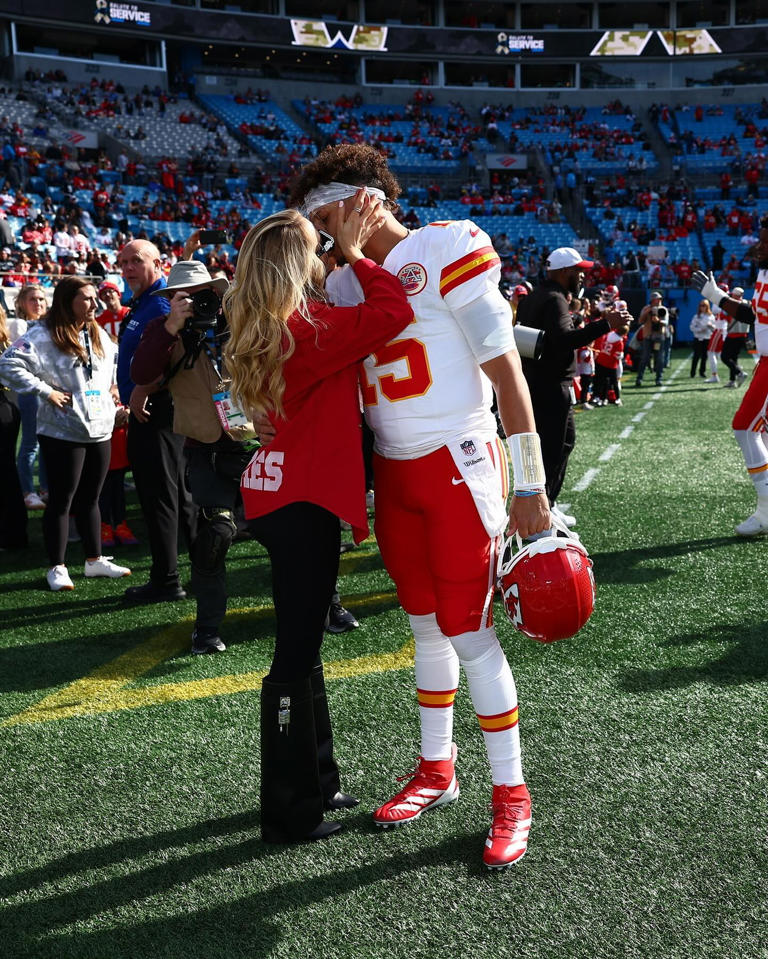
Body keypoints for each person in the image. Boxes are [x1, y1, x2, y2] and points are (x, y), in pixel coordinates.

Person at [289, 144, 550, 869]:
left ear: (363, 198)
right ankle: (438, 767)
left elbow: (506, 373)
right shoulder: (344, 285)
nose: (315, 231)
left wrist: (529, 484)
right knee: (426, 628)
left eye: (322, 213)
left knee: (471, 633)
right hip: (397, 477)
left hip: (460, 466)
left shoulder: (447, 246)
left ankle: (512, 792)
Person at [224, 200, 413, 843]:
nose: (326, 253)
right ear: (296, 265)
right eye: (317, 247)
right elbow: (394, 311)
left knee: (303, 649)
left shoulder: (274, 326)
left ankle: (317, 779)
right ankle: (287, 806)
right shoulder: (307, 329)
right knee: (295, 652)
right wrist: (359, 254)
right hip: (300, 500)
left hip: (281, 495)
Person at [131, 259, 252, 655]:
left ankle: (327, 607)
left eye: (204, 294)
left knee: (293, 531)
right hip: (206, 450)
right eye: (185, 297)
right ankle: (207, 628)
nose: (198, 302)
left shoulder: (243, 318)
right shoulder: (163, 332)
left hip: (257, 444)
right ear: (172, 301)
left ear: (217, 292)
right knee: (214, 537)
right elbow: (142, 371)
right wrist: (171, 327)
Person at [0, 277, 130, 590]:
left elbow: (111, 363)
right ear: (67, 300)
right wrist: (44, 391)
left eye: (95, 298)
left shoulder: (97, 332)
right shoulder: (43, 334)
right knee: (62, 500)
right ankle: (56, 566)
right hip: (61, 431)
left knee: (91, 498)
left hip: (99, 427)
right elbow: (8, 363)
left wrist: (113, 388)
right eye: (86, 298)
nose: (94, 304)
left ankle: (94, 559)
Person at [516, 248, 631, 523]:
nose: (582, 277)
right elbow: (563, 340)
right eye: (579, 271)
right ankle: (545, 506)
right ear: (566, 271)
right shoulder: (555, 298)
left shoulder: (533, 297)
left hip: (534, 380)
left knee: (551, 445)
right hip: (552, 384)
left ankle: (546, 503)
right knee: (558, 445)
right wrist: (607, 324)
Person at [117, 239, 197, 603]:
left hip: (156, 410)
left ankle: (167, 579)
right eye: (123, 262)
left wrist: (143, 388)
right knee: (174, 495)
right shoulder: (147, 302)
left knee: (161, 496)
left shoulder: (161, 300)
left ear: (157, 263)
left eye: (136, 260)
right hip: (155, 409)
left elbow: (174, 351)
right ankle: (196, 571)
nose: (128, 268)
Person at [692, 232, 765, 535]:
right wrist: (718, 297)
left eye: (767, 239)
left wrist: (719, 298)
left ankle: (765, 511)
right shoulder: (764, 272)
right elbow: (753, 314)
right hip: (765, 361)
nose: (758, 246)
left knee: (745, 428)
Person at [11, 284, 49, 509]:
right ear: (22, 303)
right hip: (30, 391)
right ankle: (27, 491)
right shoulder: (19, 326)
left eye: (42, 299)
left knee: (47, 441)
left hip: (50, 389)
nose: (38, 304)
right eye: (33, 299)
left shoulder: (49, 325)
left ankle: (45, 487)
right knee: (30, 443)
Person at [0, 303, 27, 549]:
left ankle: (14, 533)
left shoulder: (6, 346)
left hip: (4, 410)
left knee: (5, 472)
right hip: (8, 408)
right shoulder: (6, 344)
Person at [632, 290, 666, 387]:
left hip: (659, 337)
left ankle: (658, 379)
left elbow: (666, 322)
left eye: (659, 299)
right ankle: (639, 378)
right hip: (648, 336)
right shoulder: (646, 309)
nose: (658, 301)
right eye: (656, 299)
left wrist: (659, 321)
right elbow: (640, 321)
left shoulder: (663, 309)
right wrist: (647, 313)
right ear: (652, 301)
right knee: (645, 358)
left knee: (659, 358)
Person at [720, 287, 749, 388]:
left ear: (734, 295)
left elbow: (724, 317)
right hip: (743, 335)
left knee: (724, 357)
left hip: (733, 334)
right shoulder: (748, 304)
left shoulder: (731, 305)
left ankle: (740, 373)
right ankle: (732, 381)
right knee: (734, 358)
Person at [690, 299, 715, 378]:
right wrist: (699, 330)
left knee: (704, 356)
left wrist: (710, 326)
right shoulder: (696, 316)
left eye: (704, 305)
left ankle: (702, 372)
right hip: (698, 338)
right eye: (701, 305)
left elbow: (715, 328)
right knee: (696, 355)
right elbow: (692, 327)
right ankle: (692, 372)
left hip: (707, 338)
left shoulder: (711, 316)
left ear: (707, 306)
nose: (702, 307)